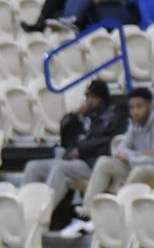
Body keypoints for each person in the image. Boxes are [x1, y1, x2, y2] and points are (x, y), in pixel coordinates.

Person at [21, 79, 124, 220]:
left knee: (60, 170)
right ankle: (25, 211)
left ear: (102, 99)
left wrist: (81, 149)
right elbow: (65, 140)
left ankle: (40, 216)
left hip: (92, 163)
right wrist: (72, 116)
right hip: (75, 161)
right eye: (87, 97)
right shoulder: (86, 116)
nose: (89, 101)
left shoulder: (114, 116)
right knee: (33, 167)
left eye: (93, 97)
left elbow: (109, 142)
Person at [81, 87, 154, 204]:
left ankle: (118, 209)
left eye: (139, 106)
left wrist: (130, 157)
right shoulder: (135, 123)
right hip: (142, 164)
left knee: (140, 171)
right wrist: (139, 155)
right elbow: (120, 150)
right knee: (104, 162)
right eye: (132, 108)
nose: (135, 111)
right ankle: (88, 209)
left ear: (150, 106)